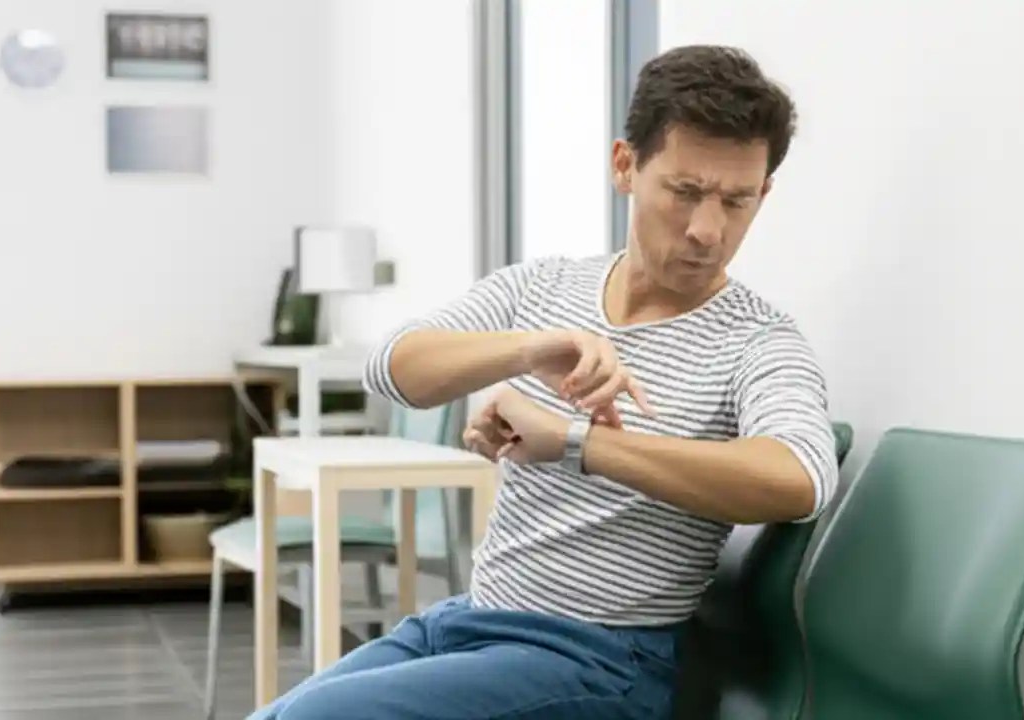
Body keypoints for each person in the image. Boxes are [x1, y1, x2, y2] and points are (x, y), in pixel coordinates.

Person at [249, 44, 838, 720]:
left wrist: (574, 441)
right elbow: (391, 366)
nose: (709, 229)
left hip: (598, 659)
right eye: (685, 192)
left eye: (737, 201)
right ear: (626, 166)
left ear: (764, 192)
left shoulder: (759, 340)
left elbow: (799, 478)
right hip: (473, 620)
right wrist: (531, 352)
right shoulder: (544, 287)